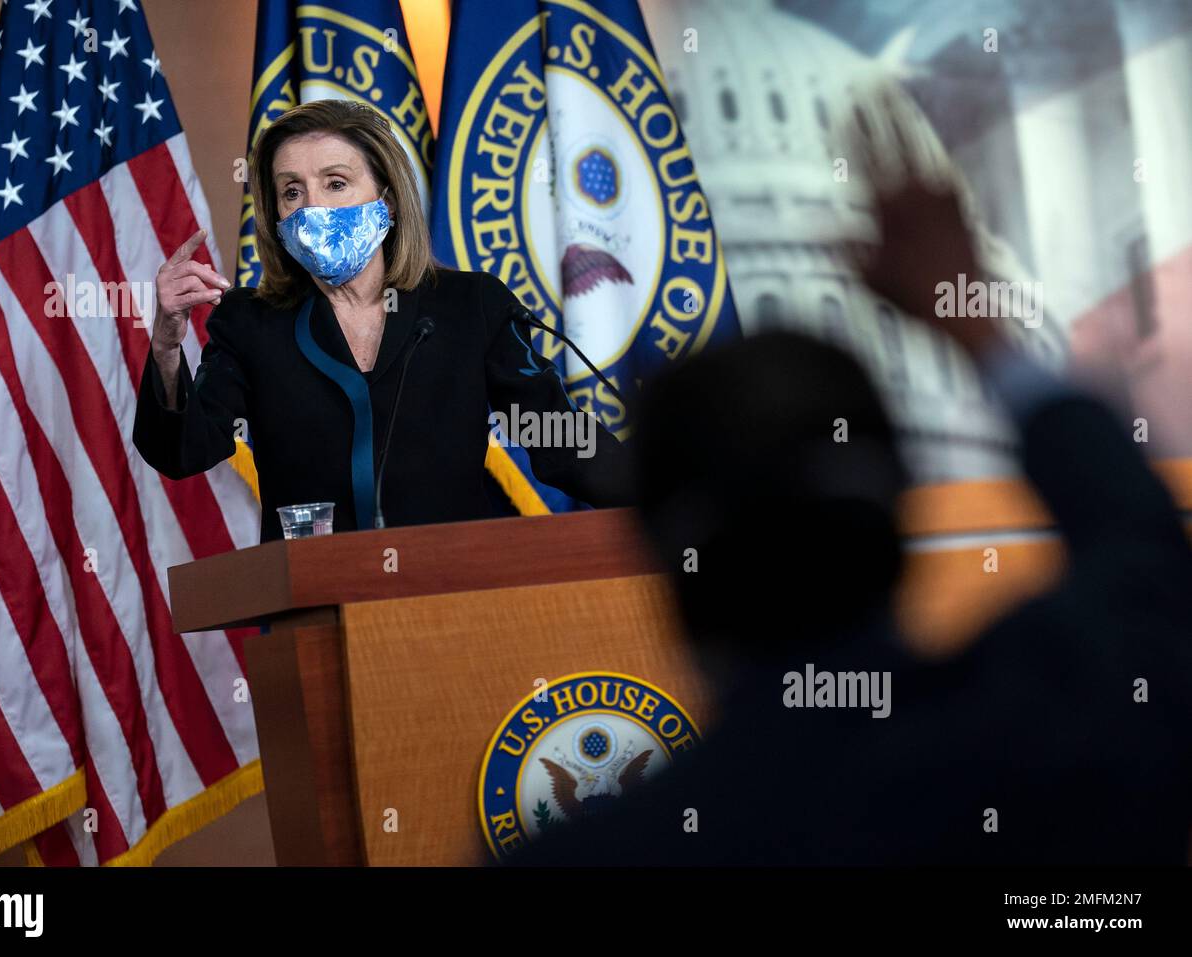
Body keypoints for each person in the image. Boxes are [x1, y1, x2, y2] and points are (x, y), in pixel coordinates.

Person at [508, 100, 1192, 866]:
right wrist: (973, 318)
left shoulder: (600, 854)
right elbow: (1149, 556)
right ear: (902, 499)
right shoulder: (1084, 709)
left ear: (666, 558)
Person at [133, 100, 630, 540]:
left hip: (457, 592)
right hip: (314, 605)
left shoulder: (468, 306)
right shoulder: (252, 323)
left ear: (386, 202)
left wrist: (672, 503)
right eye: (292, 192)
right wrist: (166, 346)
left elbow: (557, 436)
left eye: (335, 183)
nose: (313, 208)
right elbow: (184, 453)